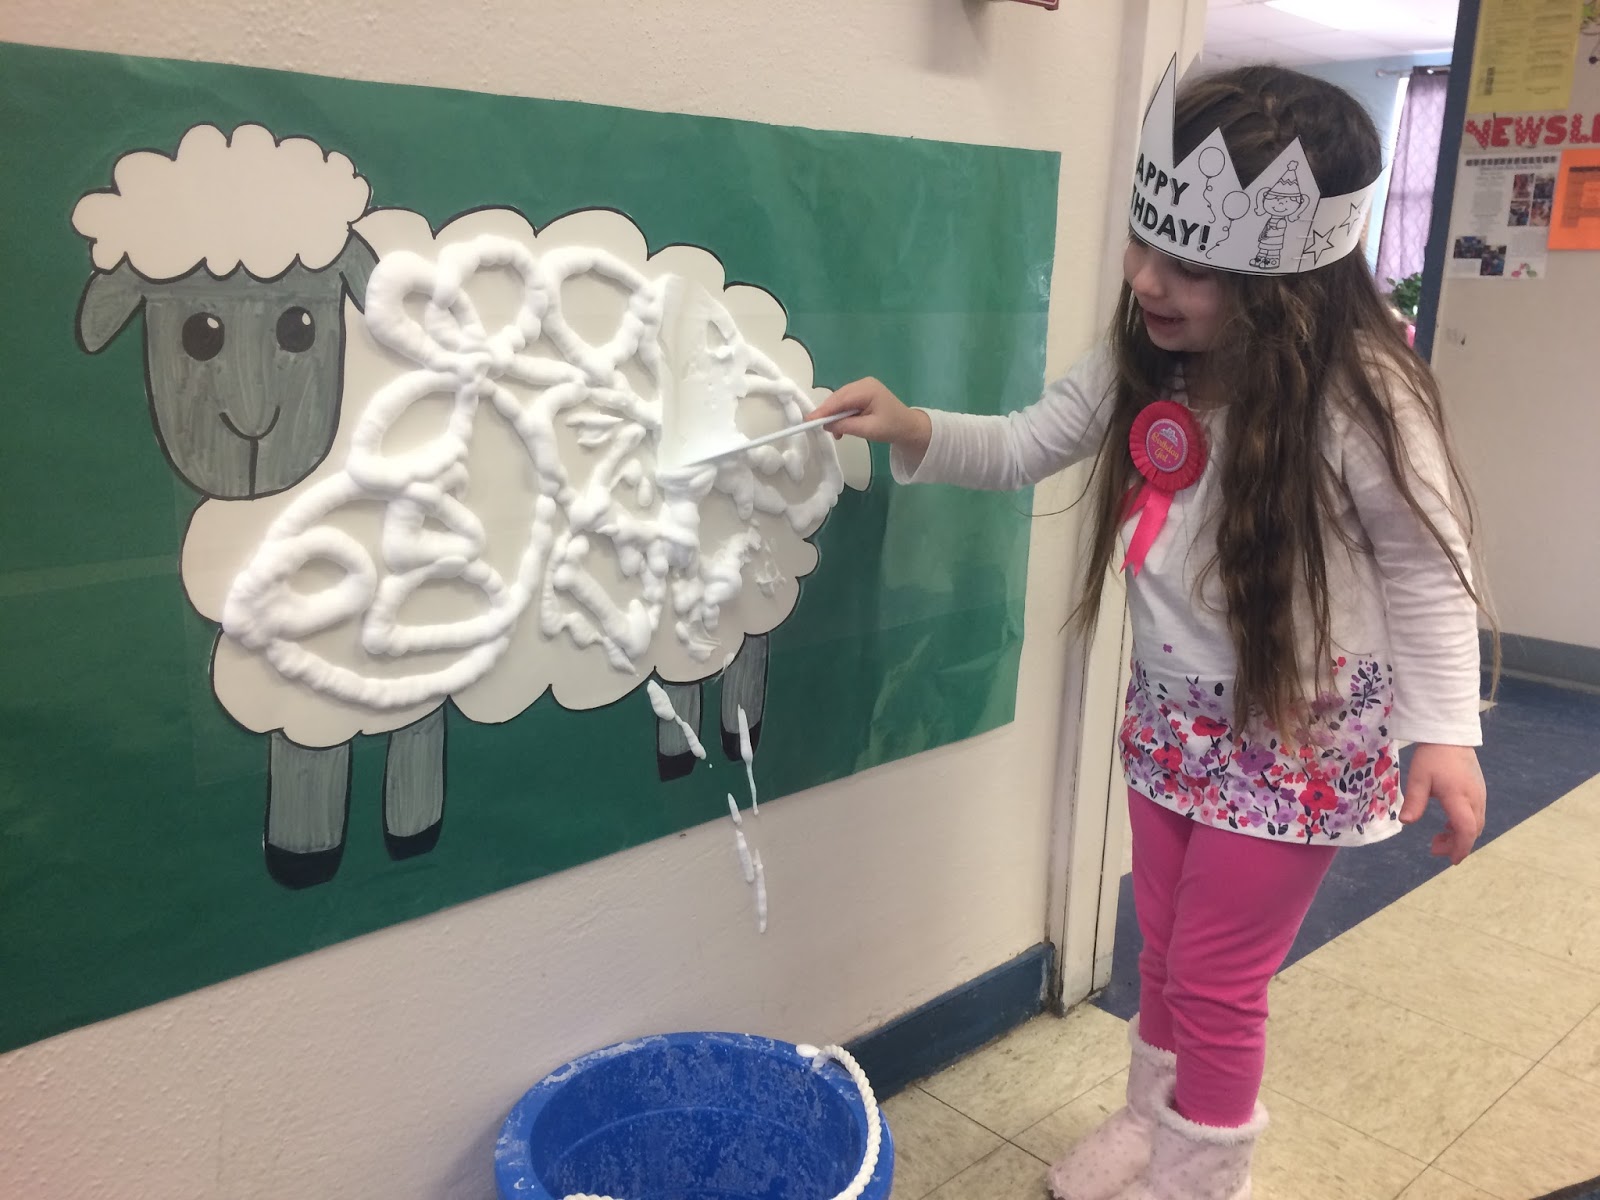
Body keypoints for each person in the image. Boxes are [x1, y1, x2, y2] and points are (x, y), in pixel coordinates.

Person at [811, 65, 1491, 1200]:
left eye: (1184, 266)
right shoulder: (1146, 355)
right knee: (1165, 948)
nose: (1142, 280)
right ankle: (1149, 1124)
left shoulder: (1365, 396)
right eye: (1142, 245)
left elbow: (1429, 571)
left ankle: (1195, 1176)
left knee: (1222, 977)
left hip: (1299, 736)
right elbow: (1030, 441)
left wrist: (1444, 731)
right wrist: (911, 423)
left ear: (1281, 284)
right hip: (1173, 719)